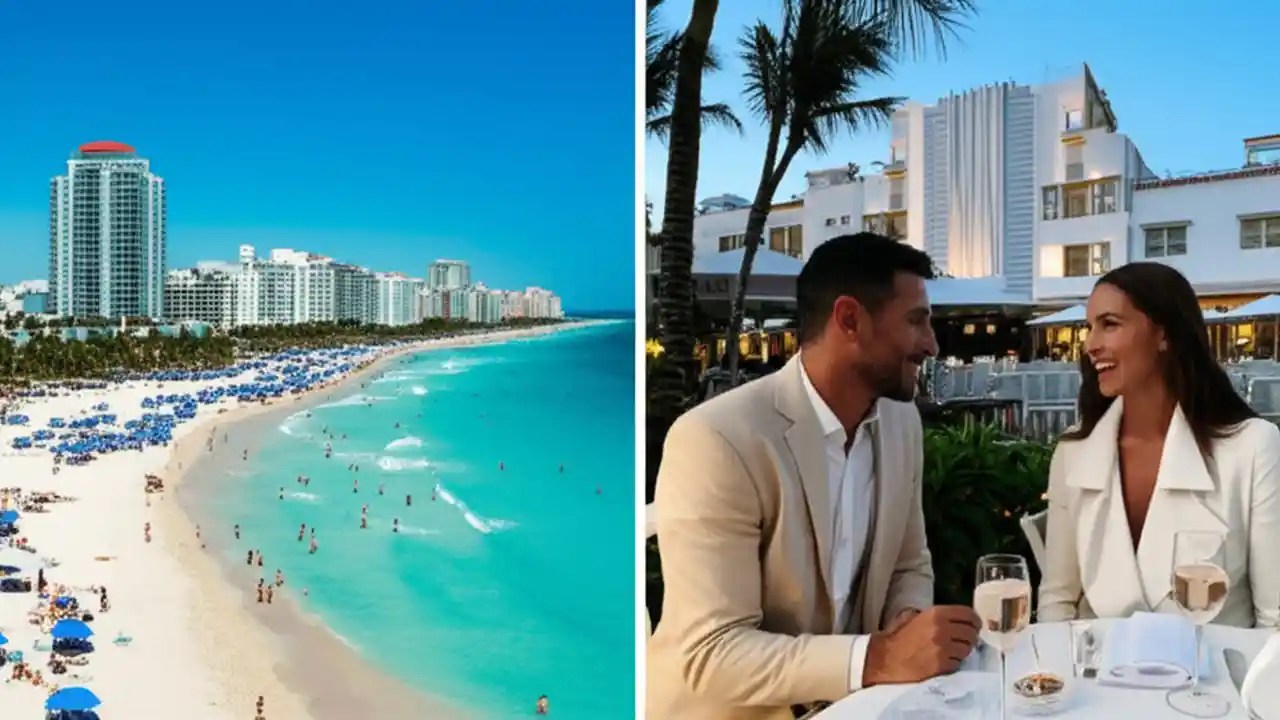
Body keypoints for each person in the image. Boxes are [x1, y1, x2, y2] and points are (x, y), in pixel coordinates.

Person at [646, 233, 981, 720]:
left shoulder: (900, 422)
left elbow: (910, 563)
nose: (931, 343)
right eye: (916, 321)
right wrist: (878, 658)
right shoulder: (717, 439)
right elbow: (712, 651)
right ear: (849, 320)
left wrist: (905, 624)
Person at [1038, 262, 1280, 628]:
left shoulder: (1253, 448)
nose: (1090, 345)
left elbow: (1274, 621)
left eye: (1110, 324)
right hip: (1098, 663)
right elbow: (1057, 602)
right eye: (1089, 328)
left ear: (1164, 335)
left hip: (1220, 665)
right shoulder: (1074, 453)